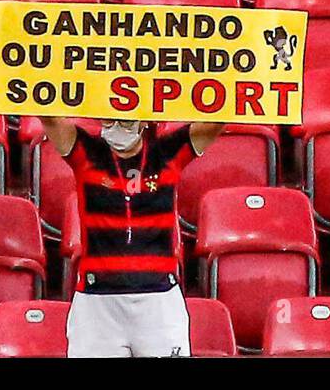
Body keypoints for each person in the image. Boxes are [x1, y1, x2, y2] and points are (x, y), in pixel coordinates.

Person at [39, 115, 222, 357]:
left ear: (144, 121)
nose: (116, 126)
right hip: (97, 303)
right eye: (110, 120)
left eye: (125, 121)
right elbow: (50, 119)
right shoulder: (86, 152)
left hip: (159, 301)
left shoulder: (167, 153)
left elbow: (216, 121)